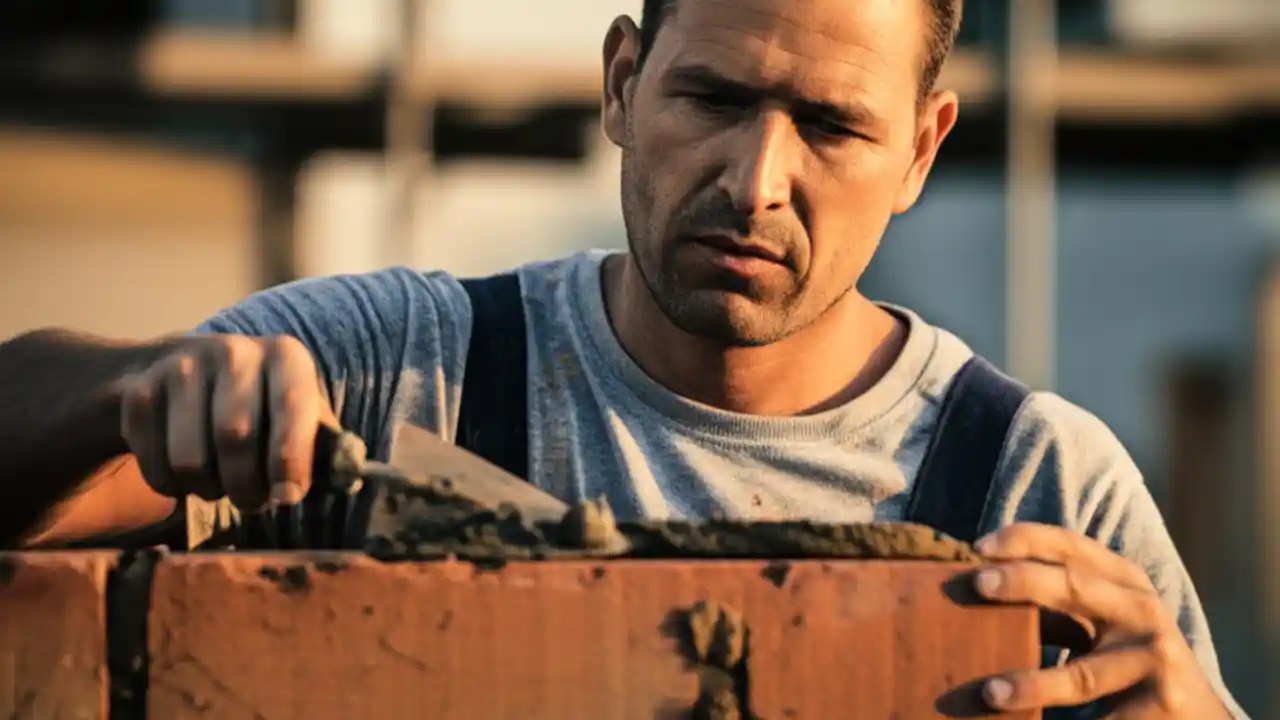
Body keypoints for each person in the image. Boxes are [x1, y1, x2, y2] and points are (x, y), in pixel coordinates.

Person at [0, 0, 1246, 717]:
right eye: (710, 100)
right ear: (620, 81)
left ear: (920, 152)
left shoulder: (1037, 490)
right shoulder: (398, 375)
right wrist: (132, 389)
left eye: (829, 127)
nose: (755, 183)